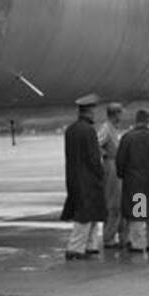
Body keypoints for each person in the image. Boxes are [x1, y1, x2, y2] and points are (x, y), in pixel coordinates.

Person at [62, 93, 107, 259]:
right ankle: (75, 248)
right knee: (85, 216)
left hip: (73, 177)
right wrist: (101, 174)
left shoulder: (71, 130)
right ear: (89, 112)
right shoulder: (89, 131)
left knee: (91, 213)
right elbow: (94, 158)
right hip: (89, 179)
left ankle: (90, 245)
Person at [116, 108, 149, 254]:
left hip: (135, 183)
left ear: (136, 121)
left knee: (138, 215)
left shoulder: (128, 138)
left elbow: (120, 161)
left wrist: (123, 175)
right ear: (148, 121)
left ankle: (137, 245)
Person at [99, 102, 125, 248]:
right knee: (113, 203)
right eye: (120, 113)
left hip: (117, 165)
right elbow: (96, 143)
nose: (122, 116)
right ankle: (109, 238)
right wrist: (105, 155)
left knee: (119, 202)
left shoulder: (113, 128)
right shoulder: (107, 128)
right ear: (115, 114)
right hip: (112, 166)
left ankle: (120, 235)